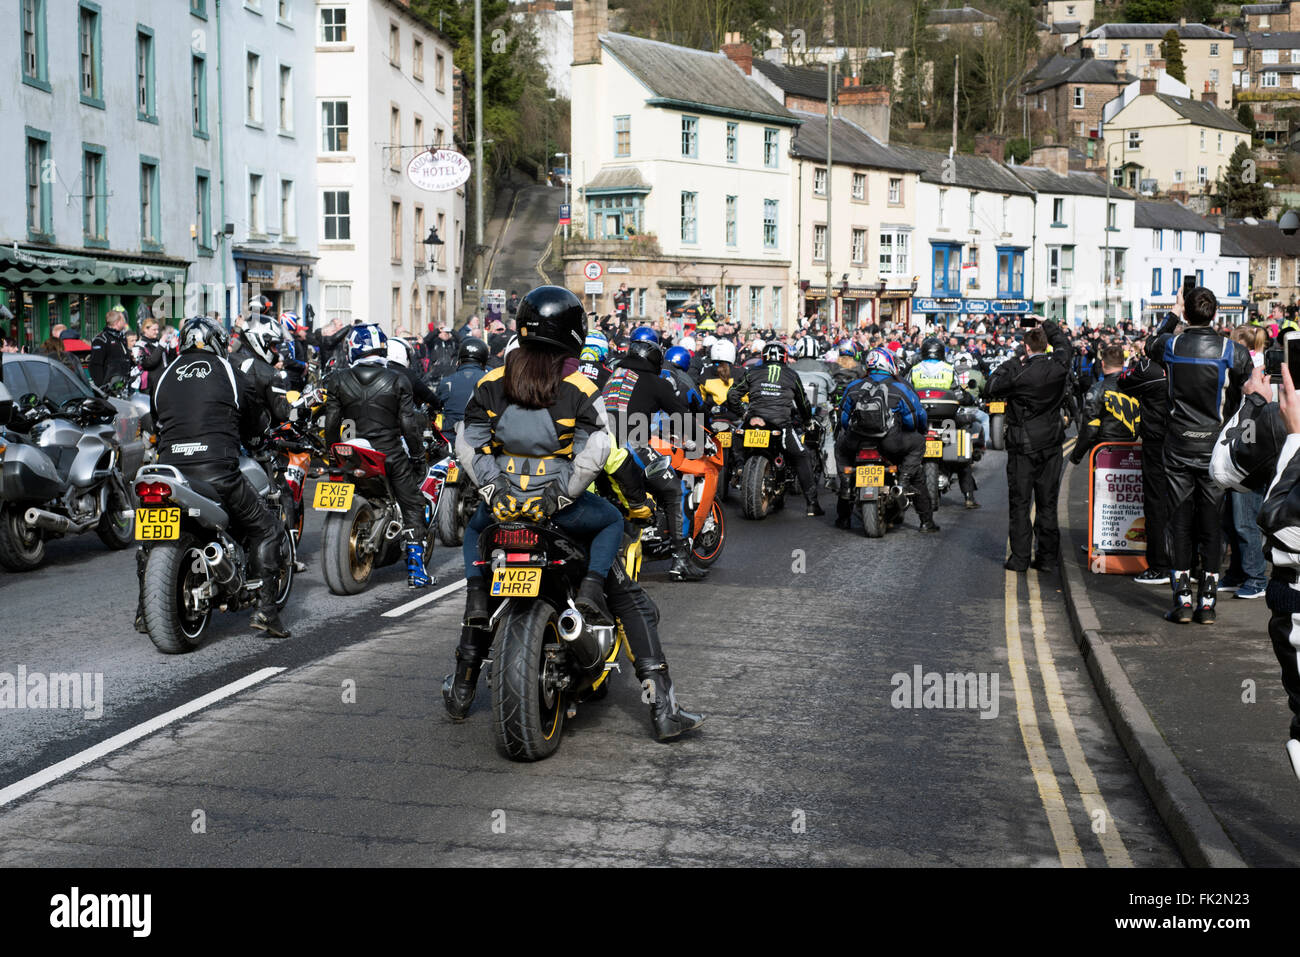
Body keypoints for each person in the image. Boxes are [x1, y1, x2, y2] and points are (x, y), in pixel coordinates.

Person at [449, 286, 623, 699]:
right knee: (612, 520)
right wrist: (559, 495)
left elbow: (468, 443)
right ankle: (591, 590)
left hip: (503, 509)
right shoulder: (579, 386)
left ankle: (465, 665)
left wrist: (495, 490)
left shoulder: (492, 380)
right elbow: (598, 448)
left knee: (475, 531)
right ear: (574, 334)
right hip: (557, 511)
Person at [145, 316, 288, 638]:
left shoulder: (164, 374)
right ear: (217, 343)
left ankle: (145, 611)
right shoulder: (228, 371)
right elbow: (252, 419)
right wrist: (256, 440)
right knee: (267, 529)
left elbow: (156, 422)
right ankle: (266, 611)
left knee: (150, 538)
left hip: (171, 472)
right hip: (216, 471)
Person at [1146, 286, 1253, 623]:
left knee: (1178, 522)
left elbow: (1151, 344)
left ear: (1188, 314)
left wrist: (1173, 313)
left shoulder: (1171, 344)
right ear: (1216, 314)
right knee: (1211, 523)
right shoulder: (1232, 351)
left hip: (1178, 445)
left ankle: (1182, 602)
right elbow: (1247, 394)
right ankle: (1207, 603)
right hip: (1215, 447)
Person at [323, 324, 435, 589]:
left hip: (350, 452)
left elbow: (330, 424)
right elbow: (408, 426)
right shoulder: (398, 380)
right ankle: (416, 571)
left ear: (352, 349)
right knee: (413, 506)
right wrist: (418, 457)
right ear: (382, 348)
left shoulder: (337, 379)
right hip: (389, 454)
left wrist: (332, 454)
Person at [603, 326, 706, 581]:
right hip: (629, 443)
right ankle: (681, 561)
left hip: (596, 445)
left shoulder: (615, 376)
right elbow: (681, 414)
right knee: (675, 490)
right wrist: (701, 439)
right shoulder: (655, 382)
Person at [986, 318, 1072, 573]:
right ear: (1045, 347)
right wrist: (1049, 326)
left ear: (1026, 347)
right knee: (1047, 503)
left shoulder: (1018, 373)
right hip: (1051, 444)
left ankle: (1020, 558)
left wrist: (1013, 363)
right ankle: (1046, 558)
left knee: (1021, 503)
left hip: (1023, 447)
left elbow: (991, 386)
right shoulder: (1058, 366)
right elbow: (1065, 346)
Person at [834, 347, 938, 533]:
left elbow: (843, 419)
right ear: (890, 364)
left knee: (840, 446)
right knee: (919, 447)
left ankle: (845, 493)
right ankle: (919, 510)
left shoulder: (854, 386)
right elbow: (915, 419)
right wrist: (917, 431)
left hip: (856, 442)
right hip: (890, 444)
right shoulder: (901, 387)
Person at [727, 341, 824, 516]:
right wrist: (808, 420)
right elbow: (803, 402)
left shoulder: (752, 372)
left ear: (763, 357)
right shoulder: (791, 374)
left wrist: (744, 414)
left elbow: (732, 394)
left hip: (753, 422)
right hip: (780, 425)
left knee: (735, 440)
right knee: (802, 456)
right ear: (784, 358)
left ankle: (739, 468)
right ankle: (812, 504)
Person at [1119, 338, 1173, 586]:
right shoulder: (1184, 366)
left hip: (1156, 441)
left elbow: (1123, 382)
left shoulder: (1150, 370)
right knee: (1184, 504)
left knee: (1155, 503)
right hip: (1184, 440)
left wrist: (1143, 358)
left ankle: (1159, 565)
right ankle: (1188, 565)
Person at [909, 337, 980, 509]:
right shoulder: (949, 369)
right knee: (962, 457)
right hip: (947, 420)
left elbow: (907, 390)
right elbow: (958, 393)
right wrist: (970, 398)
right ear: (941, 352)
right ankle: (969, 497)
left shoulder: (915, 369)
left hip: (921, 420)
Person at [1069, 344, 1137, 465]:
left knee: (1102, 483)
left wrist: (1076, 455)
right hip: (1129, 447)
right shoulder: (1135, 387)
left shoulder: (1096, 390)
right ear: (1122, 364)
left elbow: (1090, 428)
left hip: (1103, 449)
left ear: (1103, 364)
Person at [88, 306, 132, 388]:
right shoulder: (101, 339)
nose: (125, 322)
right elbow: (95, 365)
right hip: (108, 387)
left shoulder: (122, 337)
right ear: (117, 322)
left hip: (123, 384)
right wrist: (101, 386)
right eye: (123, 320)